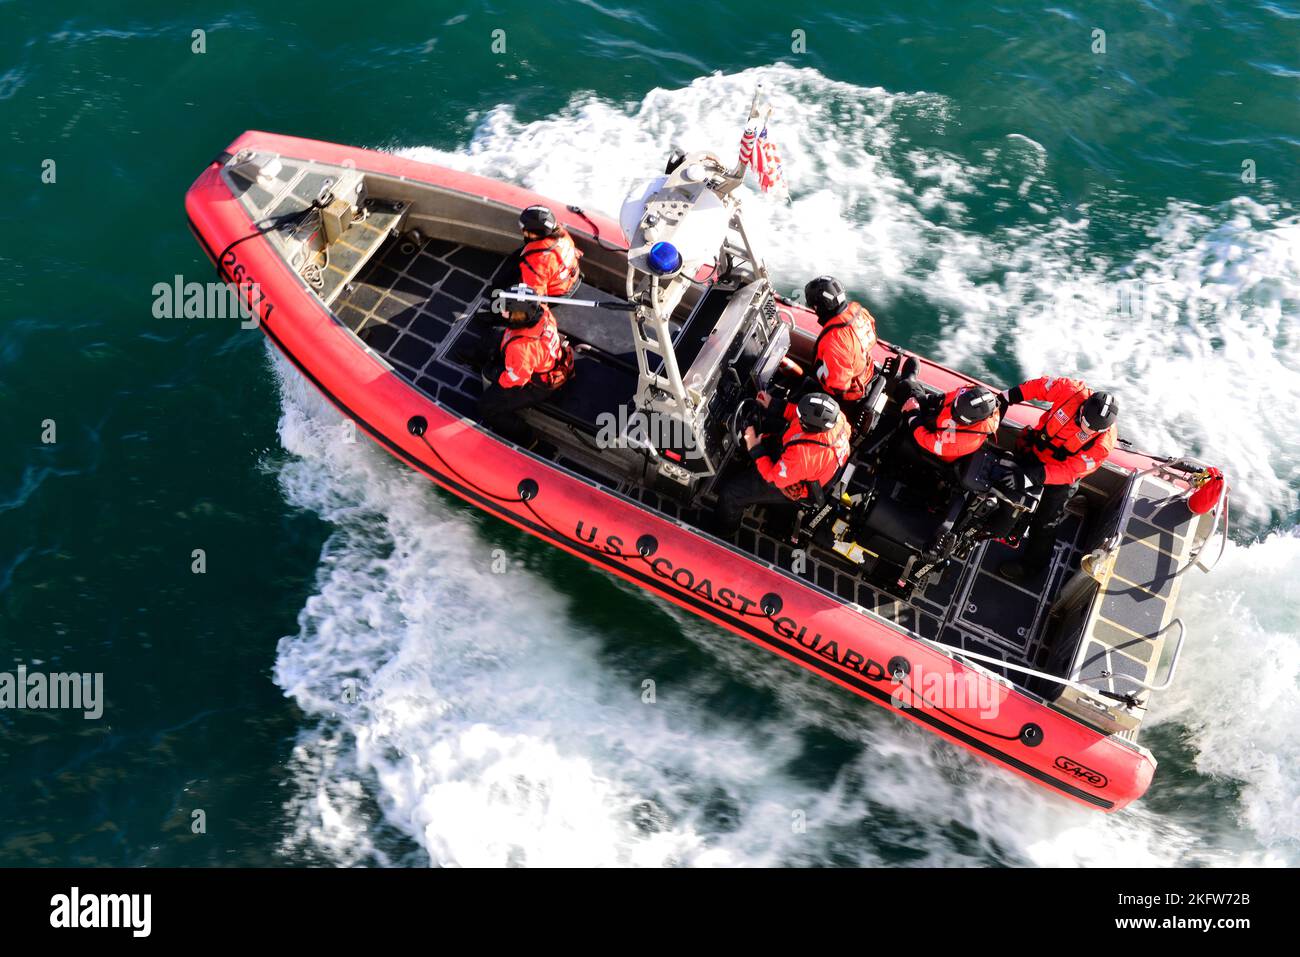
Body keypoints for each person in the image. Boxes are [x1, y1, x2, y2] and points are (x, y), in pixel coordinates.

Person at [996, 377, 1118, 581]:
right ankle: (1012, 527)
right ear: (1083, 408)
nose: (1087, 430)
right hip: (1035, 451)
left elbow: (1070, 470)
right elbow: (1038, 387)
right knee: (1006, 484)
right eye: (1086, 424)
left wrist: (1035, 476)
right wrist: (1006, 398)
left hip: (1060, 476)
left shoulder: (1102, 445)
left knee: (1046, 522)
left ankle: (1032, 567)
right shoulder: (1070, 390)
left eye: (1093, 430)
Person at [713, 392, 852, 537]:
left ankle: (724, 532)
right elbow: (799, 414)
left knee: (731, 494)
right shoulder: (838, 417)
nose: (799, 416)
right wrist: (774, 404)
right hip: (810, 465)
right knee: (767, 426)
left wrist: (755, 448)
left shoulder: (803, 457)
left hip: (793, 482)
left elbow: (773, 478)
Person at [479, 284, 574, 444]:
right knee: (494, 339)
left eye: (506, 310)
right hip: (541, 358)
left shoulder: (521, 348)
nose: (502, 311)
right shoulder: (543, 311)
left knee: (487, 407)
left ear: (518, 316)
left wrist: (498, 377)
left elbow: (517, 378)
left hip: (535, 383)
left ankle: (526, 439)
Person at [804, 276, 878, 409]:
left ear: (818, 307)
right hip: (868, 373)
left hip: (850, 395)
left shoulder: (834, 341)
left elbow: (838, 387)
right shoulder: (860, 311)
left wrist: (818, 370)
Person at [906, 385, 1001, 463]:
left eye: (958, 417)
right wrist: (922, 399)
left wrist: (912, 414)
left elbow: (926, 440)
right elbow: (945, 398)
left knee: (905, 434)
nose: (953, 414)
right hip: (939, 420)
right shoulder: (968, 392)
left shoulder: (964, 442)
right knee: (910, 389)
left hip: (936, 449)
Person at [517, 205, 582, 297]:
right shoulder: (561, 233)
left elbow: (534, 298)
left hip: (557, 292)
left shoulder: (537, 262)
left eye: (522, 227)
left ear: (534, 233)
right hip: (571, 279)